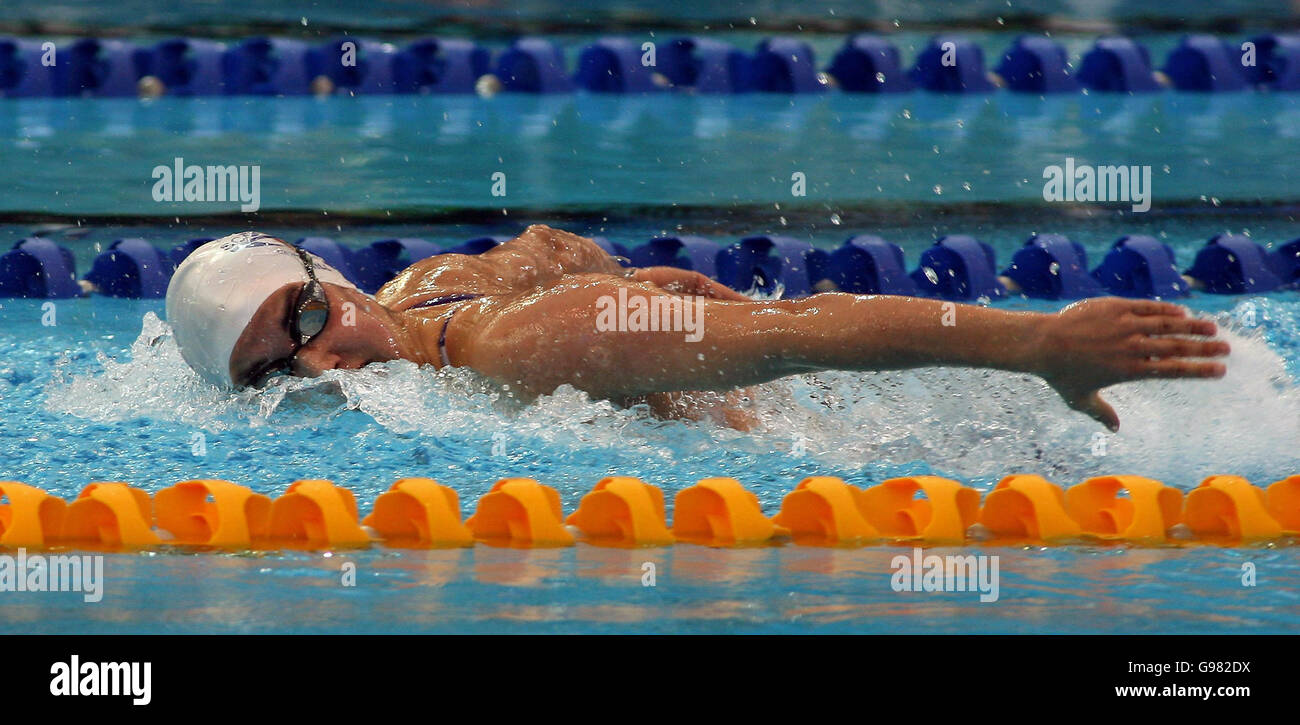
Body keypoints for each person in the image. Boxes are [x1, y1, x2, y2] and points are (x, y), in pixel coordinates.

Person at [165, 226, 1229, 432]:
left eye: (306, 314)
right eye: (273, 368)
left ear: (326, 273)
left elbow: (802, 327)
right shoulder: (420, 288)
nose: (320, 355)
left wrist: (1033, 344)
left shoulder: (523, 349)